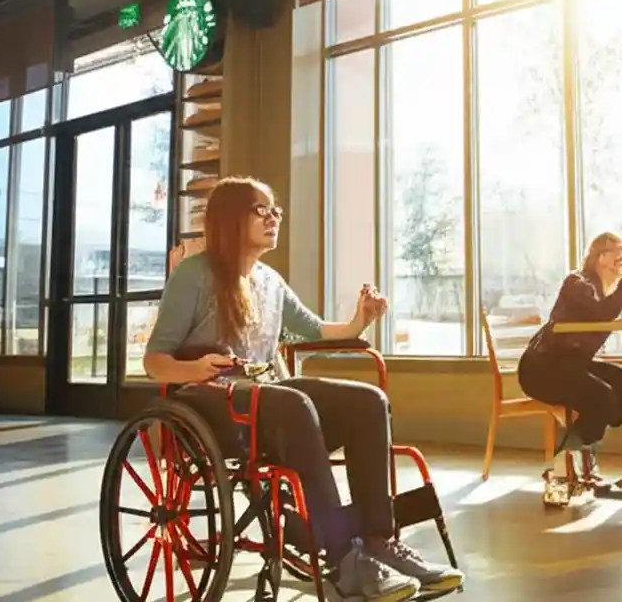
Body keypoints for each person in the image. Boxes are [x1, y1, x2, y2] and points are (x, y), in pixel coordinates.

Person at [143, 176, 462, 602]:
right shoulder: (194, 275)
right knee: (291, 400)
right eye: (262, 209)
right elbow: (154, 361)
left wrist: (359, 320)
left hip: (268, 403)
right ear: (231, 218)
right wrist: (194, 368)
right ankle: (344, 558)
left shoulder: (269, 282)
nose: (274, 217)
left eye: (276, 209)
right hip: (210, 403)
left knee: (368, 401)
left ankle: (379, 542)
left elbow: (314, 329)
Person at [517, 232, 622, 503]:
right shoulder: (577, 283)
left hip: (574, 365)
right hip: (542, 368)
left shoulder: (612, 290)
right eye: (618, 256)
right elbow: (602, 312)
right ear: (600, 256)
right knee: (602, 397)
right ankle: (564, 466)